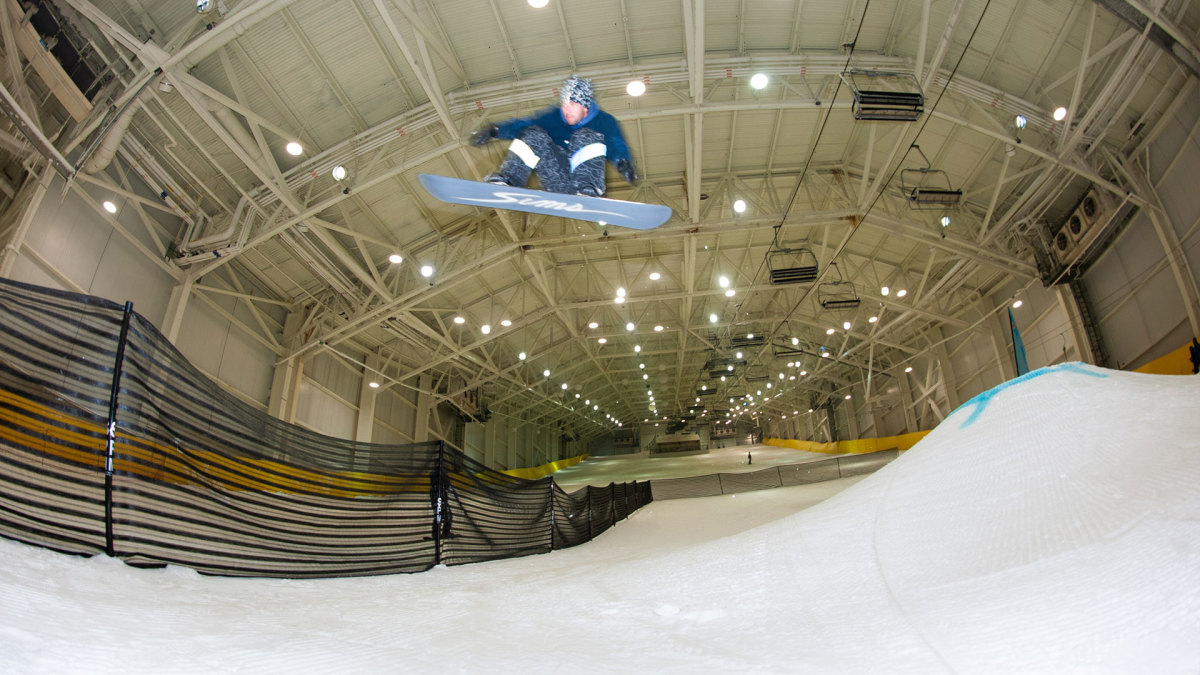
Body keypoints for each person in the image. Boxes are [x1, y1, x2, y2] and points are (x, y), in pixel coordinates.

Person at [469, 76, 637, 197]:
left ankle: (588, 189)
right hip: (555, 178)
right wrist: (494, 130)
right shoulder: (552, 117)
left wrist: (623, 163)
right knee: (533, 132)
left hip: (584, 181)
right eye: (564, 104)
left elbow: (616, 143)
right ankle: (509, 180)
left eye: (572, 104)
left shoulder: (604, 121)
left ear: (585, 106)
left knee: (587, 135)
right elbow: (521, 125)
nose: (567, 110)